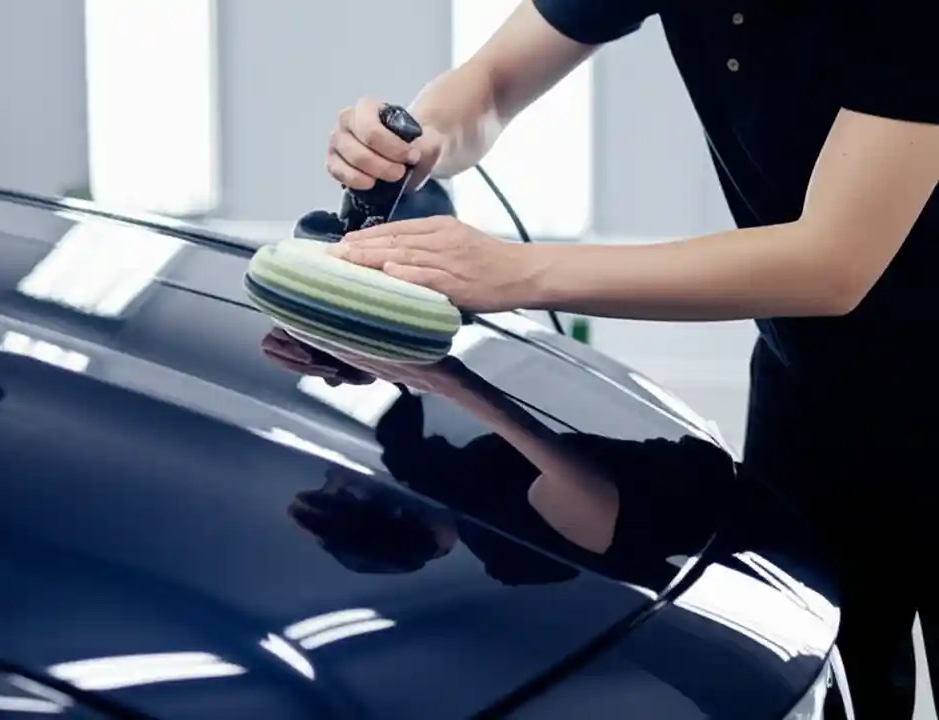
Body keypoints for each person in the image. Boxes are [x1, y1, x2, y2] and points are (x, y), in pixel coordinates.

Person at [319, 1, 938, 716]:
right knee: (813, 683)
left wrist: (518, 274)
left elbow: (832, 264)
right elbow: (490, 82)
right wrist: (416, 141)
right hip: (815, 382)